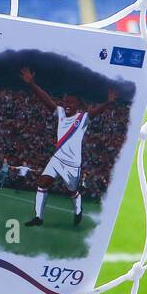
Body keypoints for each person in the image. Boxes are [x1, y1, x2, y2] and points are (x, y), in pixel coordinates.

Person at [19, 66, 115, 228]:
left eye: (71, 102)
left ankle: (78, 208)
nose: (67, 104)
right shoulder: (61, 113)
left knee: (71, 191)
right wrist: (32, 84)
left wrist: (108, 102)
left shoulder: (83, 118)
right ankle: (38, 217)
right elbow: (45, 99)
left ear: (78, 104)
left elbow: (96, 111)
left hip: (72, 164)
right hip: (57, 158)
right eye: (65, 101)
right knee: (42, 183)